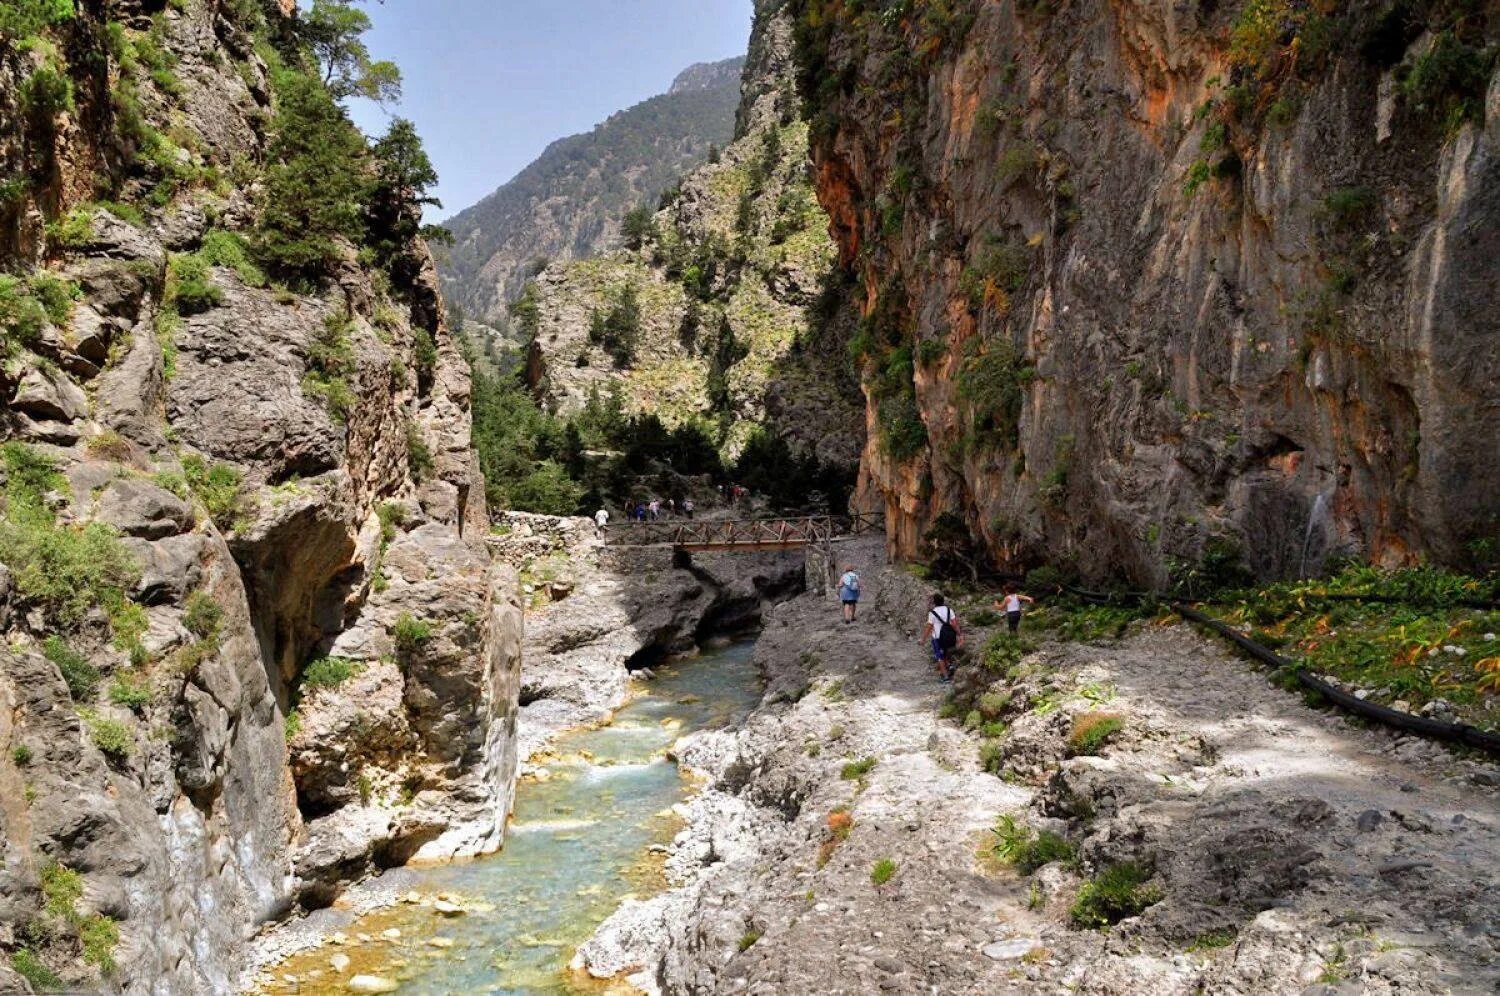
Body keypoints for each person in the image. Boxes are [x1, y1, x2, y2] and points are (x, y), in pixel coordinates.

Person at [924, 593, 961, 681]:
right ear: (943, 601)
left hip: (937, 638)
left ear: (934, 602)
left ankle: (945, 677)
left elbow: (929, 627)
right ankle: (949, 666)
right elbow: (955, 624)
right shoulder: (949, 610)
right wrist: (960, 634)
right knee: (946, 653)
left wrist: (923, 639)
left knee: (939, 656)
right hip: (949, 636)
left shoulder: (932, 613)